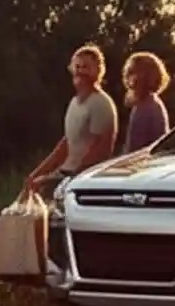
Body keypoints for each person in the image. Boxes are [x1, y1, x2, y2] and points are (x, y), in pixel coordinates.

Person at [23, 44, 118, 199]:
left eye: (86, 67)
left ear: (98, 70)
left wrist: (70, 180)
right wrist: (36, 174)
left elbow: (101, 149)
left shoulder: (100, 103)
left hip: (83, 177)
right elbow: (67, 144)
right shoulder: (74, 102)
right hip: (66, 171)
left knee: (40, 192)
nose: (81, 71)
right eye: (77, 66)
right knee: (30, 190)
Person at [121, 51, 171, 153]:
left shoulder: (148, 106)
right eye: (130, 72)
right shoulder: (145, 103)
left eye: (135, 72)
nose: (130, 78)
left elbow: (135, 148)